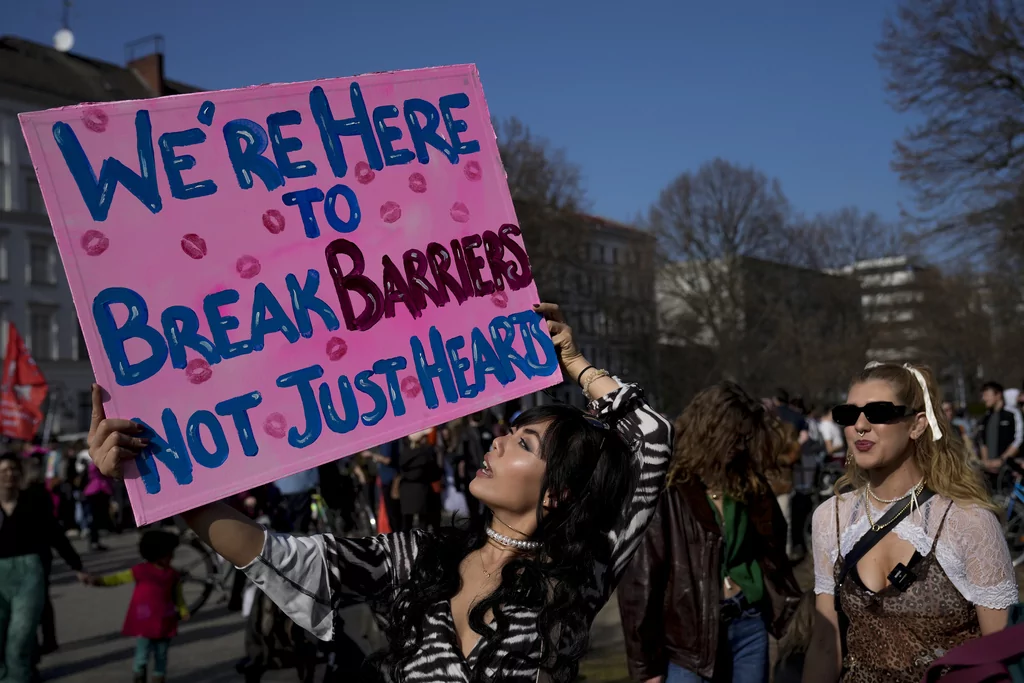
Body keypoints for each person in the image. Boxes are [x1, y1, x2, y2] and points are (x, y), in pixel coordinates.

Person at [87, 303, 673, 683]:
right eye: (507, 430)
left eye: (523, 441)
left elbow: (651, 437)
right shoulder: (425, 555)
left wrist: (574, 363)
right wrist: (158, 470)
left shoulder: (580, 575)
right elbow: (281, 558)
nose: (496, 442)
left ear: (557, 494)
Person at [802, 362, 1017, 683]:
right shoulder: (830, 517)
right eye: (849, 415)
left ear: (917, 425)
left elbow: (1000, 651)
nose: (860, 425)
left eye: (878, 412)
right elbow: (824, 644)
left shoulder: (967, 521)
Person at [618, 381, 801, 683]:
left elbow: (774, 557)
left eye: (745, 438)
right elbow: (640, 583)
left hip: (748, 623)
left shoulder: (749, 484)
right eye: (733, 437)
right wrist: (645, 667)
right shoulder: (667, 487)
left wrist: (792, 619)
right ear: (709, 430)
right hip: (687, 640)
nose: (740, 446)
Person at [0, 453, 88, 682]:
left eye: (13, 469)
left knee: (21, 633)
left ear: (20, 474)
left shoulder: (33, 500)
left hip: (30, 574)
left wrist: (76, 565)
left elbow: (55, 533)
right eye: (3, 470)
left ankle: (18, 677)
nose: (9, 474)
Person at [82, 530, 188, 683]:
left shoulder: (172, 575)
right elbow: (118, 578)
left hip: (165, 621)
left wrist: (183, 610)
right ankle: (139, 675)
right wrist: (98, 581)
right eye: (168, 554)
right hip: (145, 623)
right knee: (142, 654)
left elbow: (178, 595)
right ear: (156, 555)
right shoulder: (140, 571)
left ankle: (158, 677)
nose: (172, 557)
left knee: (162, 655)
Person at [978, 381, 1023, 477]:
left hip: (1011, 469)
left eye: (986, 395)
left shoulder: (1012, 413)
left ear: (998, 395)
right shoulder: (985, 418)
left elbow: (1019, 439)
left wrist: (1002, 460)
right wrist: (986, 462)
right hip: (990, 471)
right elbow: (982, 441)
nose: (984, 399)